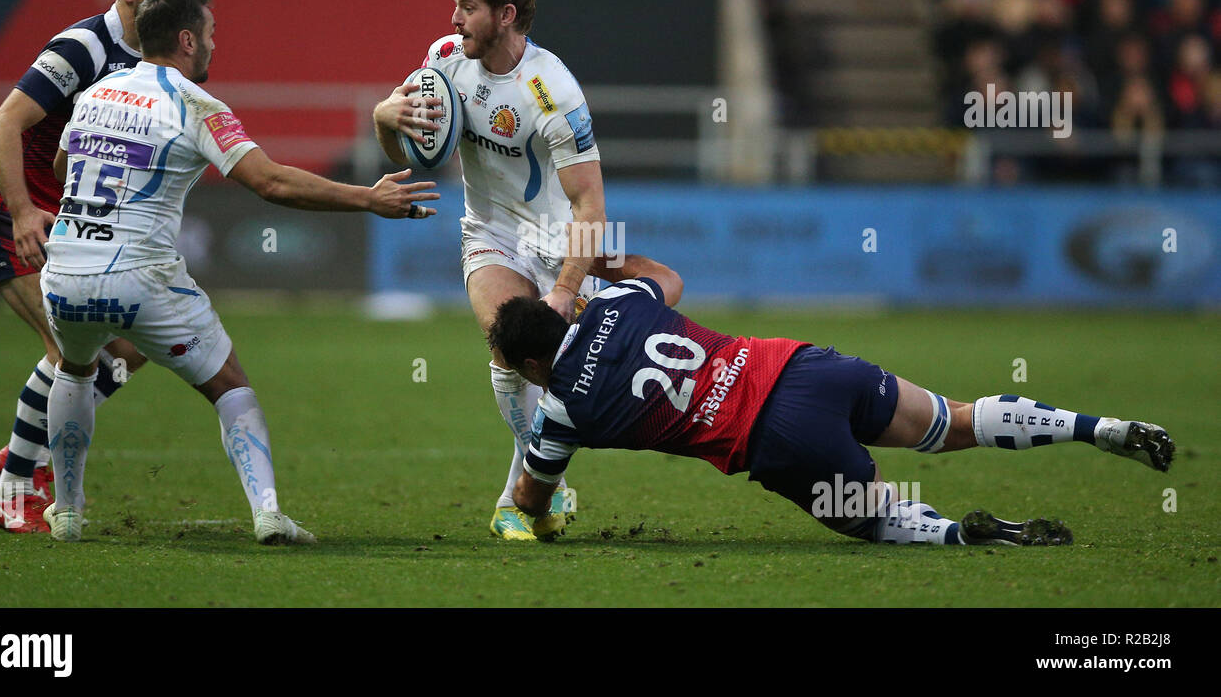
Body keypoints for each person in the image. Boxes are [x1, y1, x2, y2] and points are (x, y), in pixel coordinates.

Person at [38, 0, 439, 543]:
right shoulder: (195, 104)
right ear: (186, 40)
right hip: (138, 276)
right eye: (210, 34)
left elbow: (62, 167)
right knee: (229, 385)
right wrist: (367, 198)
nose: (213, 44)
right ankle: (268, 512)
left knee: (75, 370)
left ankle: (68, 513)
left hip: (63, 275)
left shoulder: (97, 92)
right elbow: (269, 181)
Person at [488, 274, 1176, 545]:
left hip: (778, 439)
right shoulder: (615, 300)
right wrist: (587, 277)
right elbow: (666, 278)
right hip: (805, 367)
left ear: (529, 366)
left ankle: (969, 536)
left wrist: (538, 516)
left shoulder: (561, 413)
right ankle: (1096, 428)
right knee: (953, 422)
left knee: (873, 515)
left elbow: (530, 494)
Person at [373, 0, 617, 541]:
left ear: (506, 14)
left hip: (555, 238)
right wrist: (384, 118)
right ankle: (523, 497)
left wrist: (563, 290)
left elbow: (590, 206)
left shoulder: (552, 91)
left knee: (555, 373)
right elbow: (408, 151)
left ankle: (538, 482)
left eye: (468, 8)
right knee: (505, 344)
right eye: (455, 5)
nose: (454, 20)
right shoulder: (442, 62)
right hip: (488, 229)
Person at [0, 0, 189, 532]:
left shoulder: (161, 57)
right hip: (6, 216)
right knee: (71, 353)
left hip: (71, 227)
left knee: (132, 349)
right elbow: (1, 126)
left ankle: (24, 448)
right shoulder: (83, 47)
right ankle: (13, 488)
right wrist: (18, 212)